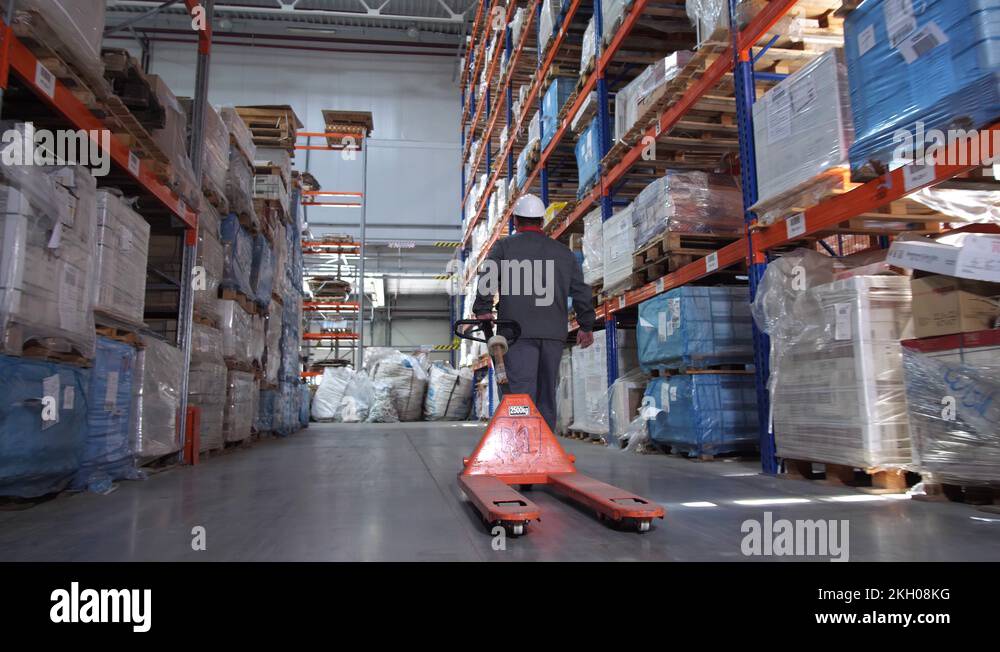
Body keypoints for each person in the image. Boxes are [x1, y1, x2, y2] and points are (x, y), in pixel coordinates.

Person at [471, 193, 596, 431]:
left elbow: (487, 277)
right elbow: (581, 291)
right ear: (541, 222)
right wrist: (586, 325)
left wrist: (483, 309)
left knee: (519, 392)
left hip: (516, 333)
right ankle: (544, 448)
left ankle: (522, 445)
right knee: (546, 393)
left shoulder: (504, 247)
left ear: (515, 221)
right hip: (553, 334)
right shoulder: (564, 254)